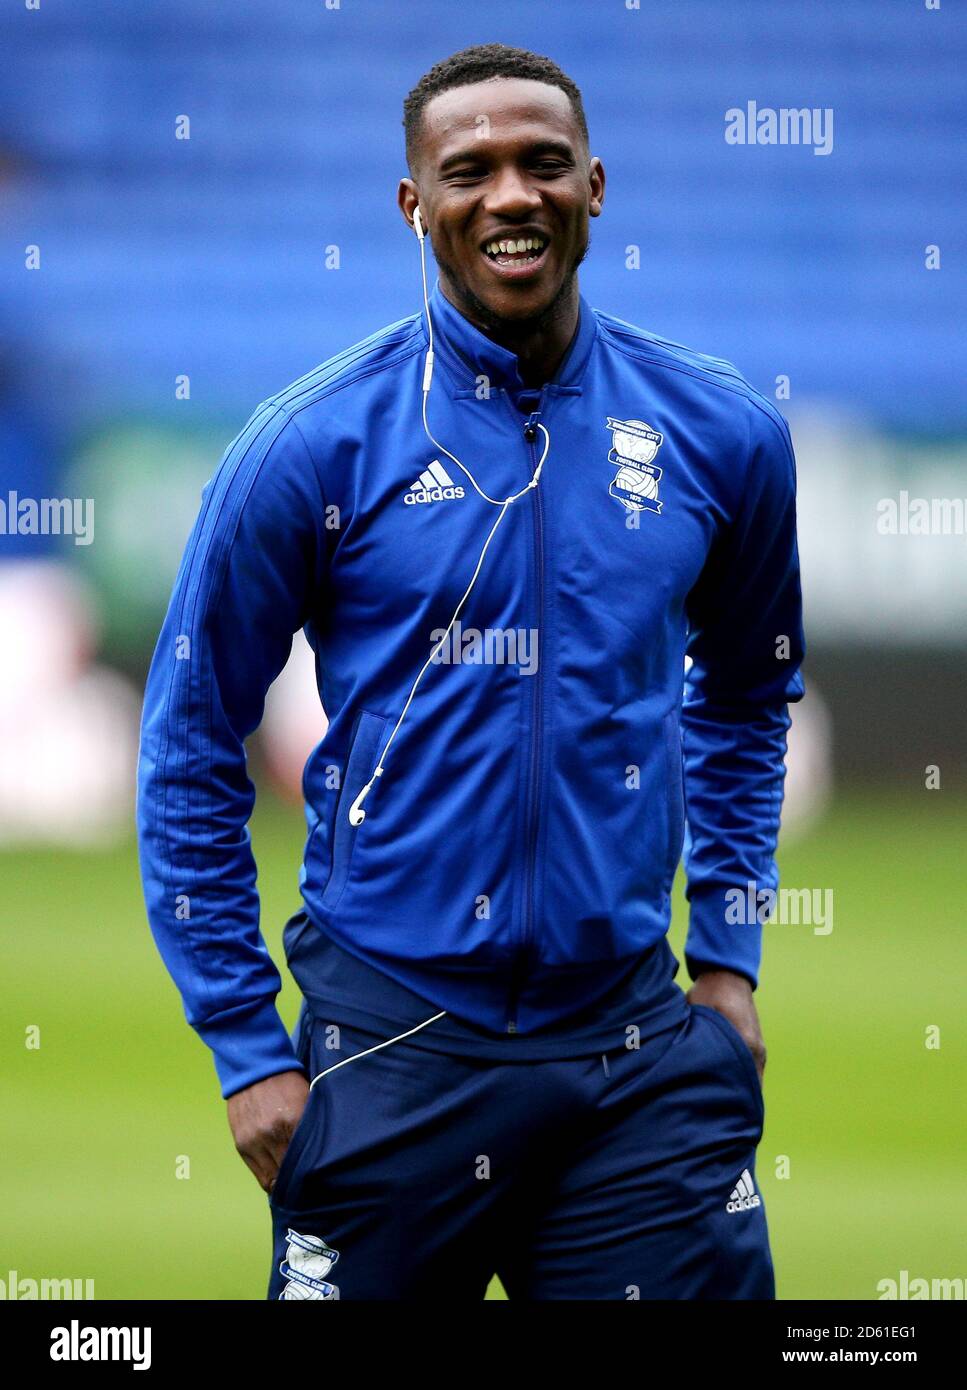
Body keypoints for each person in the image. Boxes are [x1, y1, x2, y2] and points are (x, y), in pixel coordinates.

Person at [137, 42, 805, 1301]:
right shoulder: (307, 447)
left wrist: (723, 957)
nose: (511, 194)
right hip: (388, 1049)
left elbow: (748, 692)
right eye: (470, 170)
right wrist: (243, 1045)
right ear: (414, 205)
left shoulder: (721, 433)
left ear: (594, 186)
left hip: (632, 1055)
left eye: (543, 163)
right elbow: (186, 748)